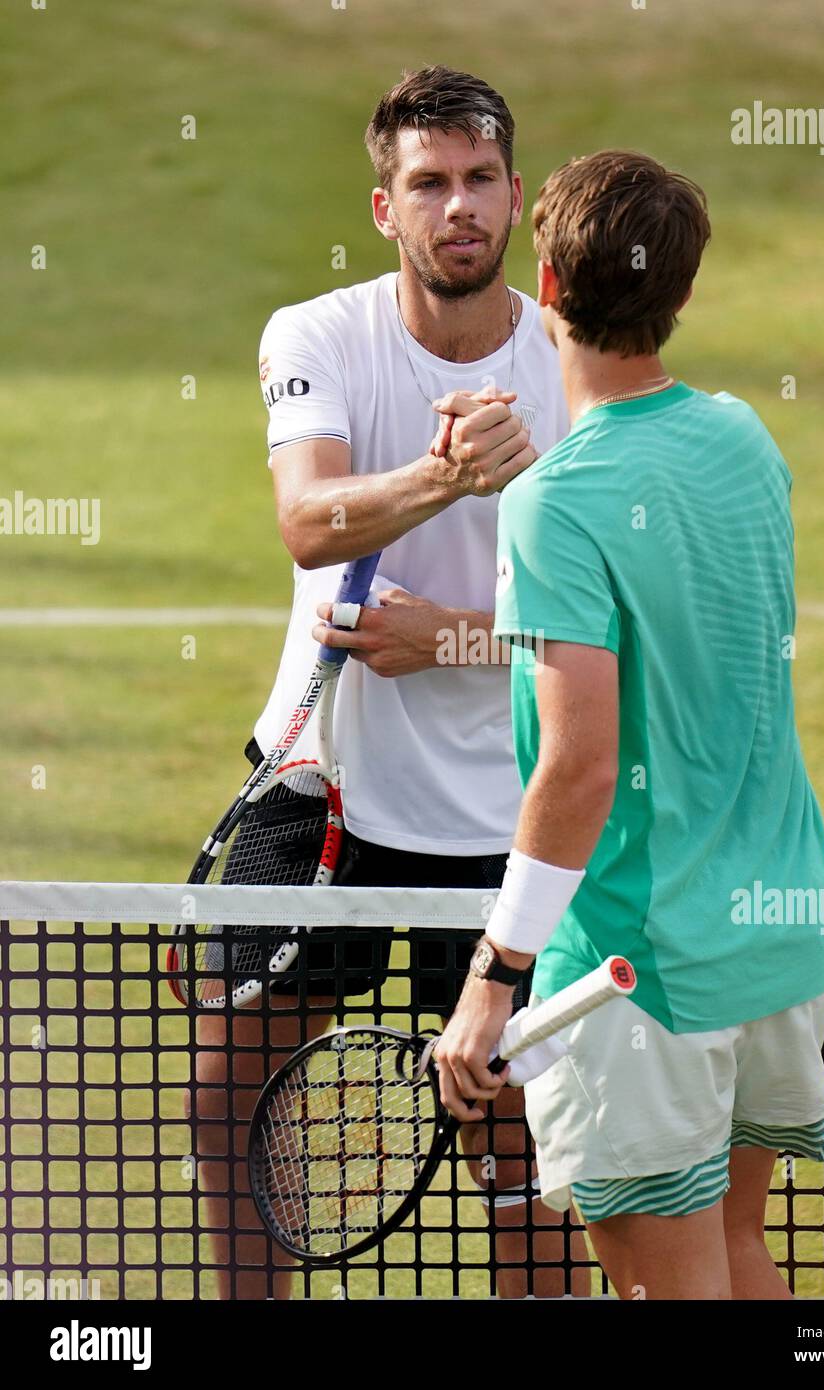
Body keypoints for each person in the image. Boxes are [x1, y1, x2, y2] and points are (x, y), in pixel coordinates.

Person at [188, 66, 587, 1299]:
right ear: (385, 206)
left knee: (512, 1145)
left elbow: (610, 651)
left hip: (503, 816)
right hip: (326, 789)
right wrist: (447, 475)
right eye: (429, 183)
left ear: (515, 199)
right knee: (226, 1104)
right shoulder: (314, 336)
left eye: (478, 181)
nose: (455, 206)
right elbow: (310, 525)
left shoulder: (575, 372)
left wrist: (451, 638)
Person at [437, 149, 824, 1300]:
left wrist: (492, 978)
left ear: (547, 286)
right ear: (681, 291)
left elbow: (579, 766)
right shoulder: (744, 439)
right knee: (734, 1249)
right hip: (778, 937)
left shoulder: (551, 504)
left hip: (638, 975)